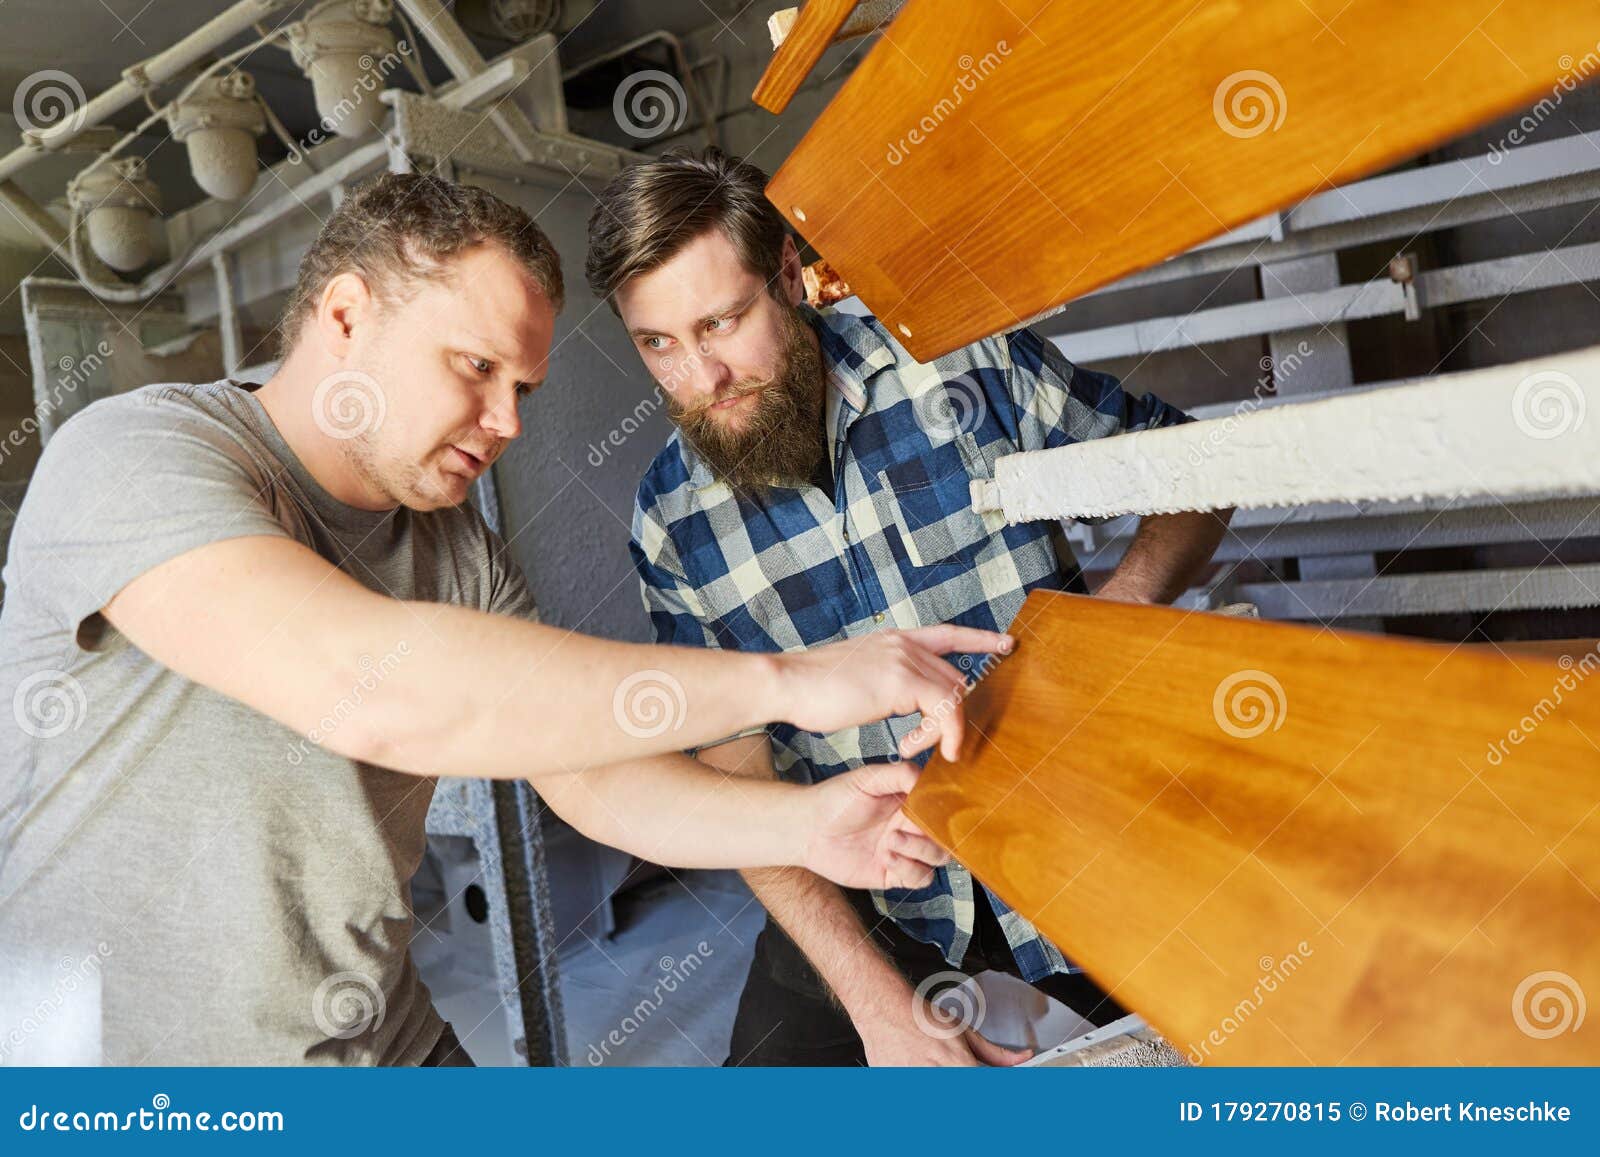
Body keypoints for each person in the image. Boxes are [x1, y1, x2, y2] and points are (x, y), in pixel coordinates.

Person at [0, 173, 1011, 1066]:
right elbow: (372, 685)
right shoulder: (137, 455)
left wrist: (804, 822)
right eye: (476, 368)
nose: (510, 421)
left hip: (381, 1048)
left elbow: (594, 773)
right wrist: (791, 680)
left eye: (522, 385)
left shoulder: (454, 550)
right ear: (346, 316)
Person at [585, 147, 1233, 1066]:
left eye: (722, 323)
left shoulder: (965, 364)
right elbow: (738, 782)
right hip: (870, 889)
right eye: (658, 345)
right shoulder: (668, 522)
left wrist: (1111, 623)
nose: (702, 378)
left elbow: (1190, 471)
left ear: (789, 278)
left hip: (1081, 830)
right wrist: (874, 1003)